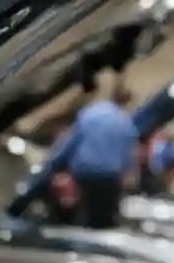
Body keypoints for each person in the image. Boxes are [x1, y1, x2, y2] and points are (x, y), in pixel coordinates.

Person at [8, 82, 138, 229]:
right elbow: (127, 154)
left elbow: (71, 142)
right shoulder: (126, 123)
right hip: (109, 176)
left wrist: (54, 163)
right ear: (125, 102)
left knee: (84, 218)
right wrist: (126, 173)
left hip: (85, 173)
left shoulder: (90, 114)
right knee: (104, 220)